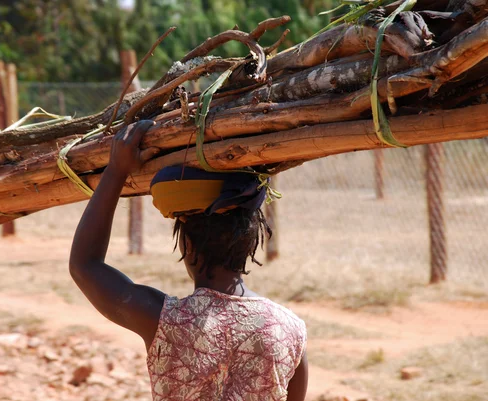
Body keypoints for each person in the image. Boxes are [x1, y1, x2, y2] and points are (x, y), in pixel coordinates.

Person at [69, 121, 308, 401]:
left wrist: (116, 170)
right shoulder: (291, 330)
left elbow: (85, 265)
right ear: (251, 241)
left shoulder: (166, 321)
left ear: (188, 245)